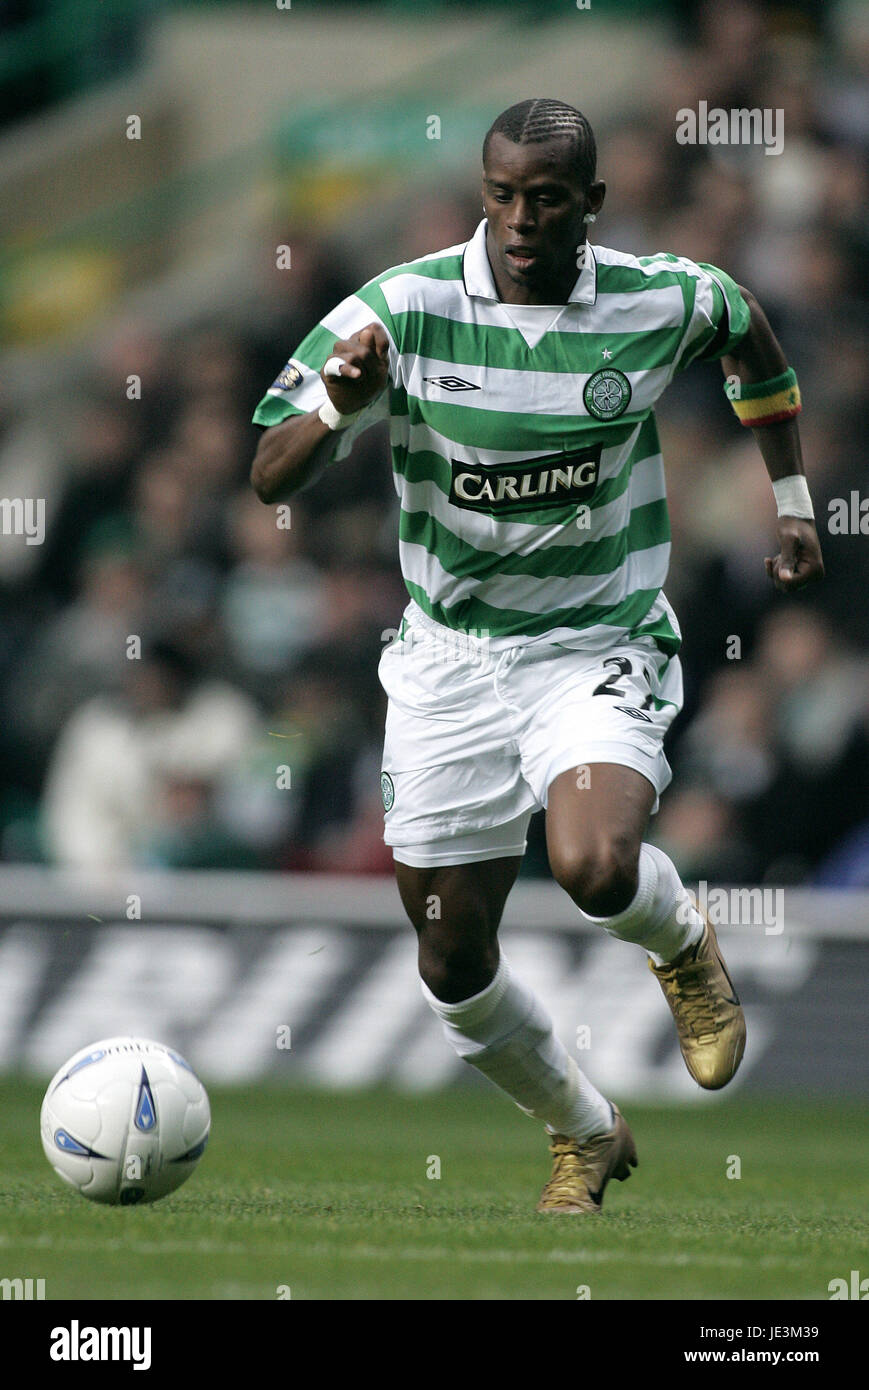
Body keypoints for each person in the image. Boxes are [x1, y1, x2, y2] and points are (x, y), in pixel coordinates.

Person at [250, 99, 824, 1214]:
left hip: (594, 639)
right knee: (448, 963)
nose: (519, 219)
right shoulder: (402, 307)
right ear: (483, 192)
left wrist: (791, 499)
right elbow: (269, 473)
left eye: (547, 198)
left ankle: (679, 939)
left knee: (593, 863)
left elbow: (743, 321)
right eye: (501, 194)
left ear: (589, 205)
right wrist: (337, 407)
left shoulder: (655, 297)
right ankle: (582, 1127)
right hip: (448, 662)